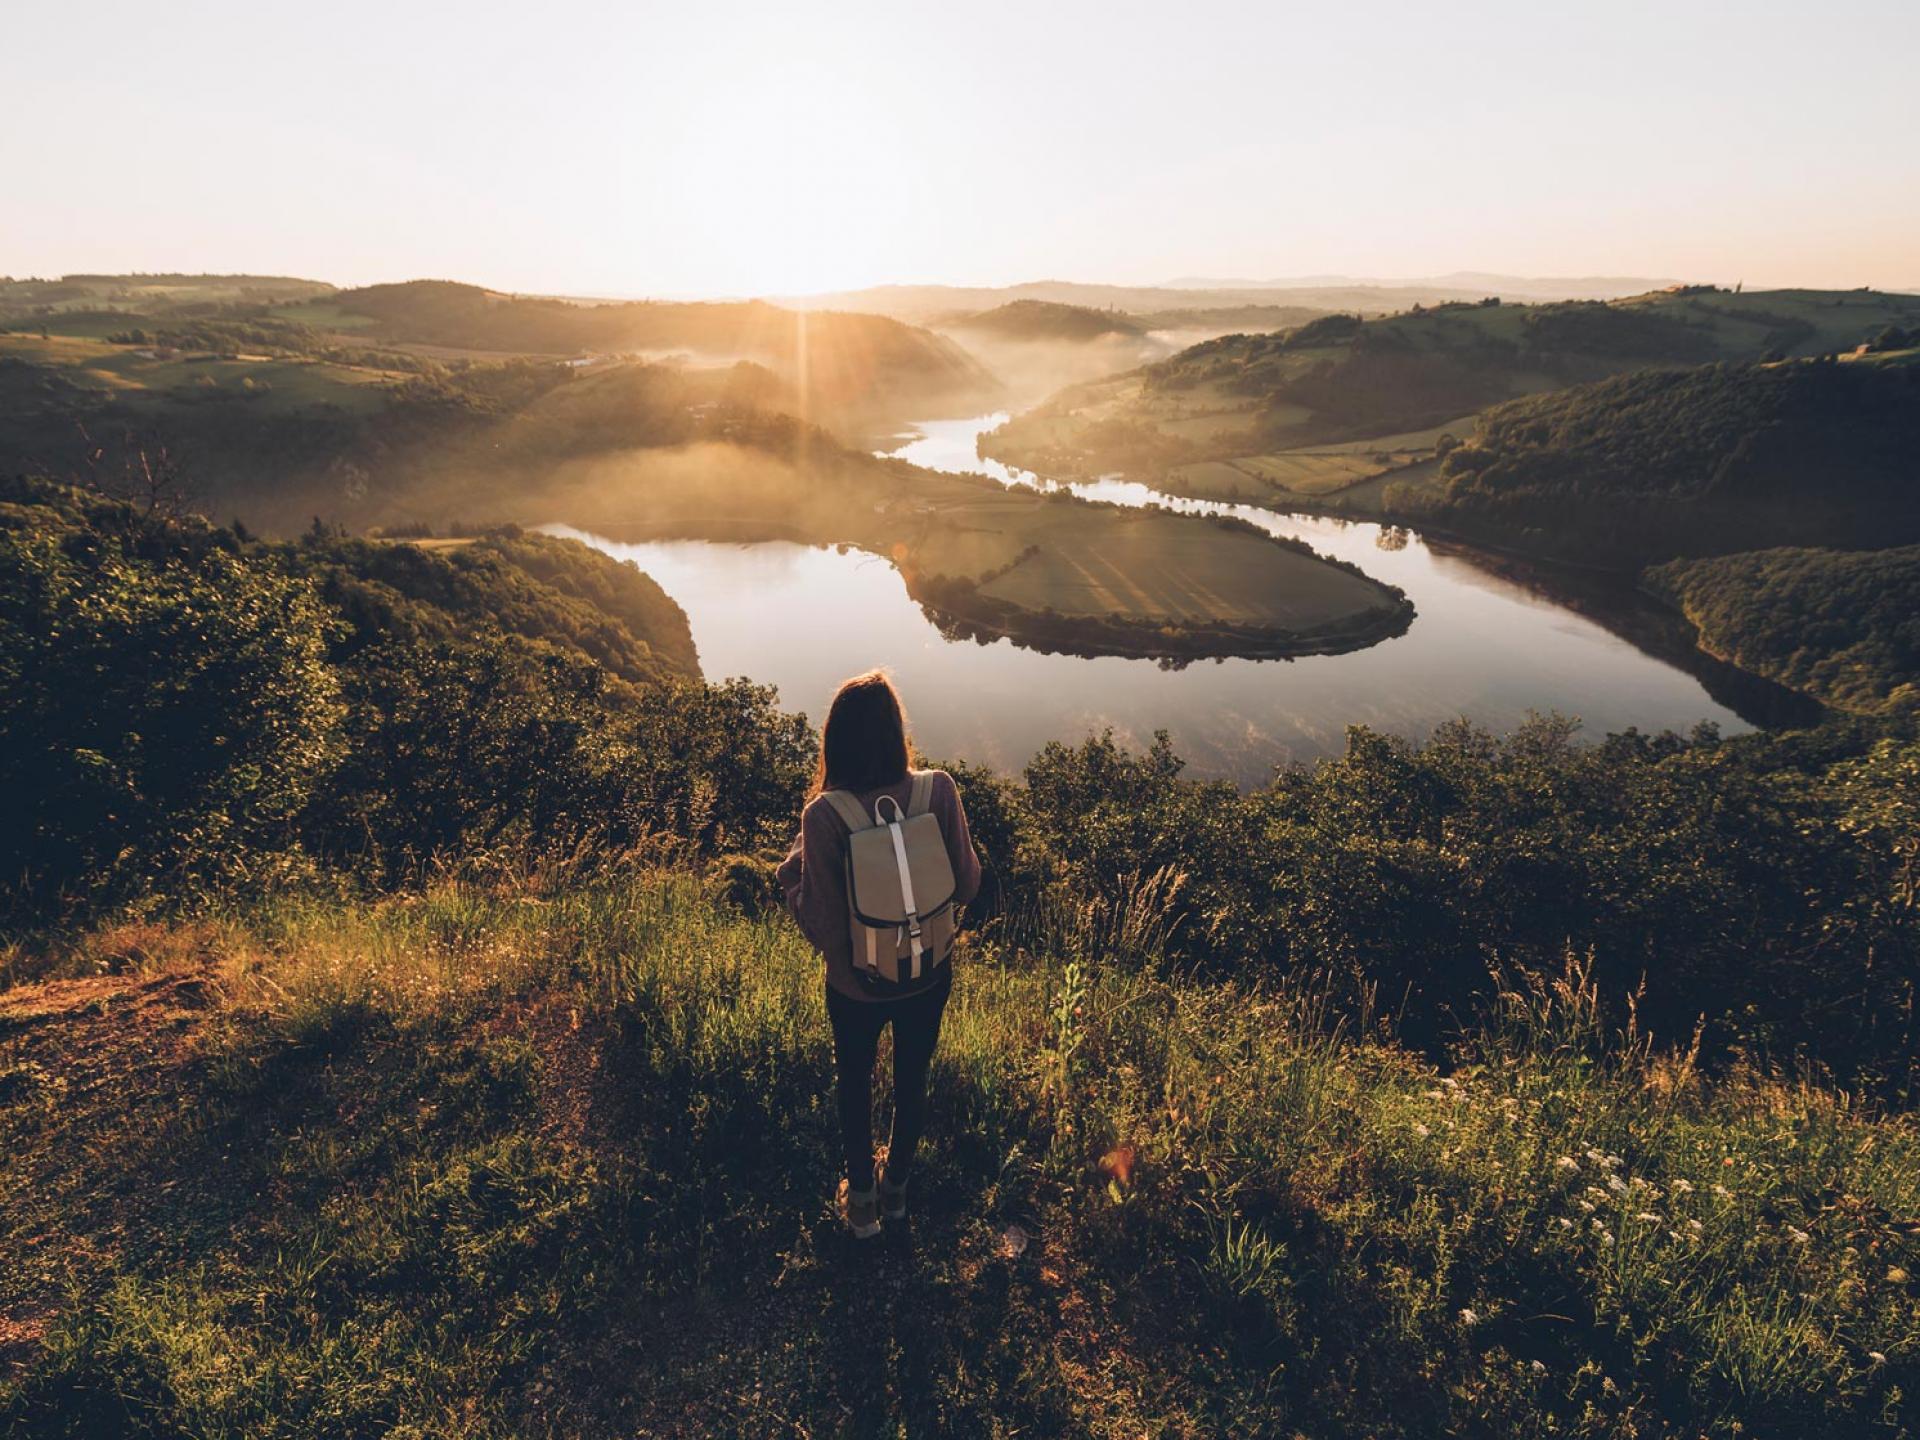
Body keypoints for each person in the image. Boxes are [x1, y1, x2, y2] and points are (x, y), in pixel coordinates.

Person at [776, 671, 982, 1239]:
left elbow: (821, 926)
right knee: (912, 1080)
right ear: (897, 731)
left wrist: (794, 886)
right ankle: (897, 1195)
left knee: (855, 1084)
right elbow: (967, 886)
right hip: (928, 974)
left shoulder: (823, 816)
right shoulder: (938, 790)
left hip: (854, 985)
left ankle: (861, 1205)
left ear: (834, 740)